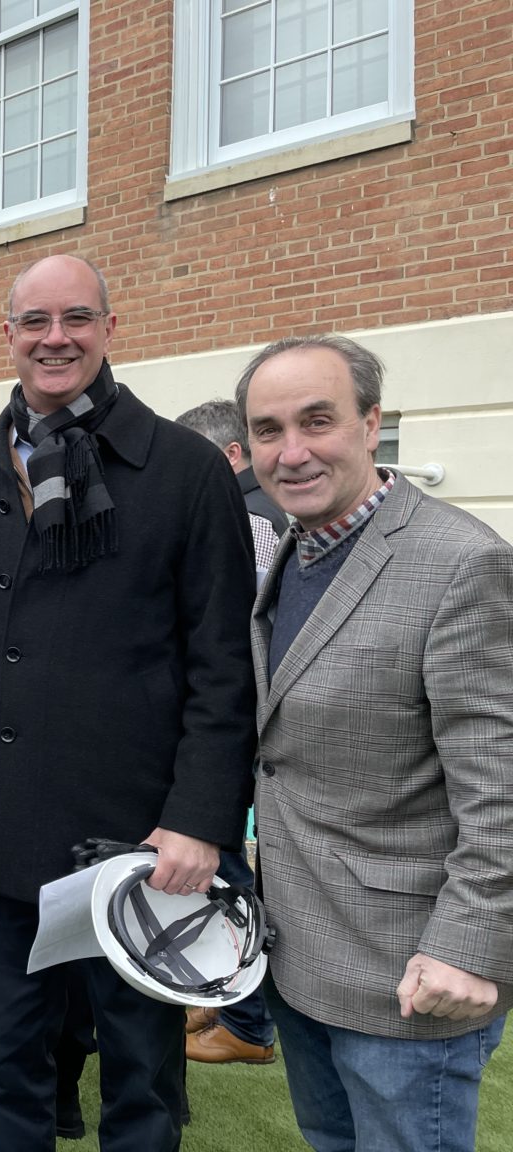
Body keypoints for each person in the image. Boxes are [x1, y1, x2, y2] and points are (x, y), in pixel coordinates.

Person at [0, 254, 257, 1150]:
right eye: (34, 322)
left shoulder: (188, 471)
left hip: (137, 847)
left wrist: (201, 819)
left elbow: (224, 669)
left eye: (77, 318)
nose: (55, 338)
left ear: (110, 330)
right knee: (7, 1068)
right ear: (7, 337)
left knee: (142, 1083)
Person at [239, 333, 512, 1152]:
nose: (291, 452)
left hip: (409, 979)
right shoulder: (297, 550)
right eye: (267, 430)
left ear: (370, 423)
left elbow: (499, 786)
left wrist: (466, 949)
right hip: (302, 959)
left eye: (316, 421)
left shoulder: (460, 563)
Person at [172, 397, 282, 1066]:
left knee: (229, 867)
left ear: (229, 456)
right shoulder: (266, 511)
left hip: (239, 732)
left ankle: (247, 1020)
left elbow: (234, 643)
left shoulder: (246, 517)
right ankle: (225, 996)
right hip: (248, 729)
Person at [175, 398, 287, 582]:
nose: (179, 466)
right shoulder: (260, 498)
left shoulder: (249, 520)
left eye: (190, 454)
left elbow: (247, 600)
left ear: (231, 454)